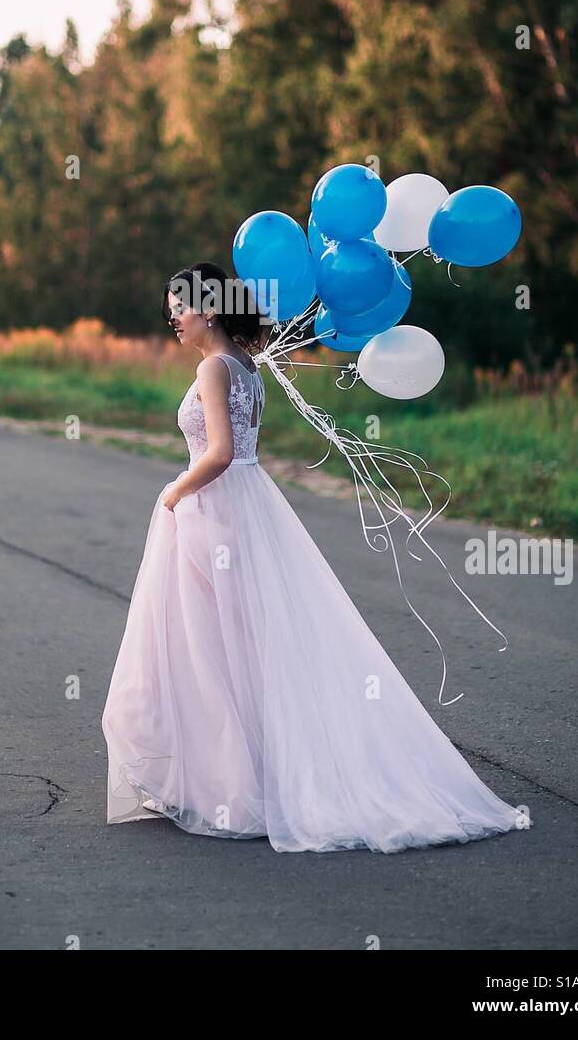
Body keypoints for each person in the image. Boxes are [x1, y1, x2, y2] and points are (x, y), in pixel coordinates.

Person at [101, 262, 526, 853]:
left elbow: (220, 452)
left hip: (217, 509)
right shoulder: (245, 366)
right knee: (237, 643)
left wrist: (175, 491)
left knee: (208, 646)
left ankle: (229, 785)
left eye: (180, 305)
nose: (172, 315)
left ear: (210, 309)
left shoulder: (212, 368)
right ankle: (230, 777)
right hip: (246, 506)